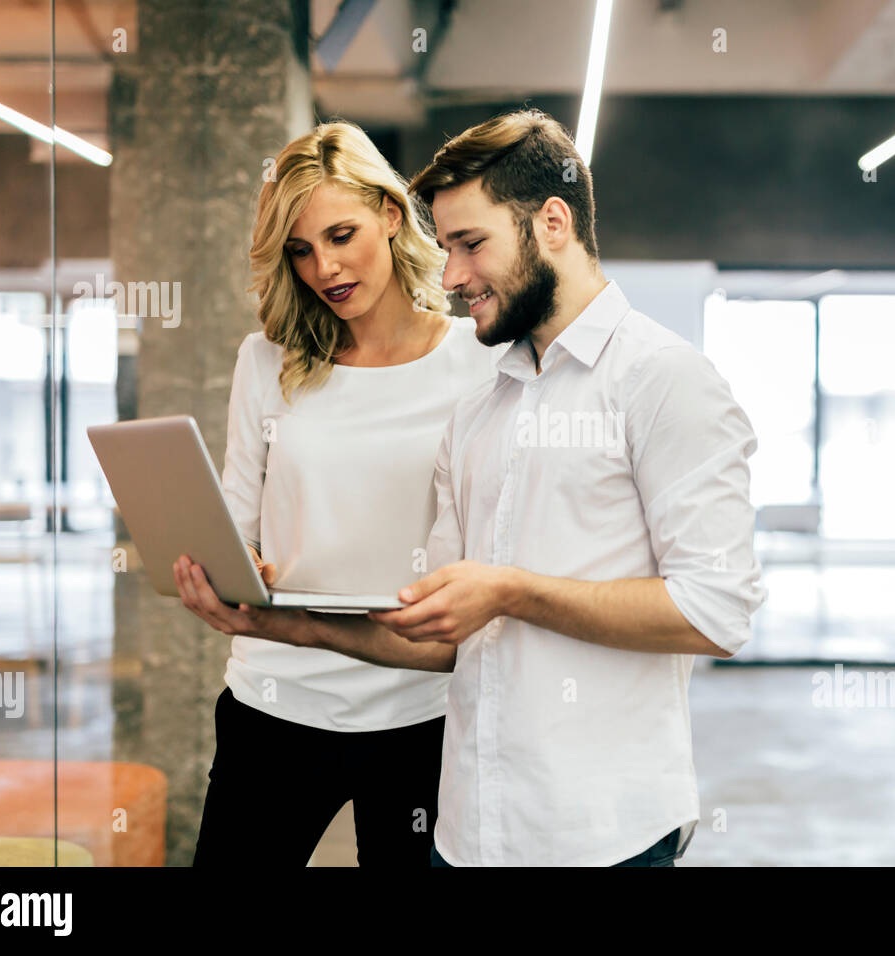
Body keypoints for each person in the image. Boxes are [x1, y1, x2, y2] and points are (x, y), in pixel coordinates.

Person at [173, 109, 766, 866]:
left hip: (600, 825)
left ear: (552, 221)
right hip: (472, 821)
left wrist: (510, 592)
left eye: (471, 244)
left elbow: (716, 609)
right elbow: (445, 629)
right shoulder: (494, 399)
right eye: (448, 247)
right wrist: (278, 622)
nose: (452, 276)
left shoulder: (661, 378)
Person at [176, 122, 497, 867]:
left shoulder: (476, 364)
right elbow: (236, 516)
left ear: (390, 214)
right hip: (275, 700)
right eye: (299, 249)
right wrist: (234, 568)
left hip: (420, 715)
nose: (324, 267)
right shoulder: (266, 361)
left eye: (342, 234)